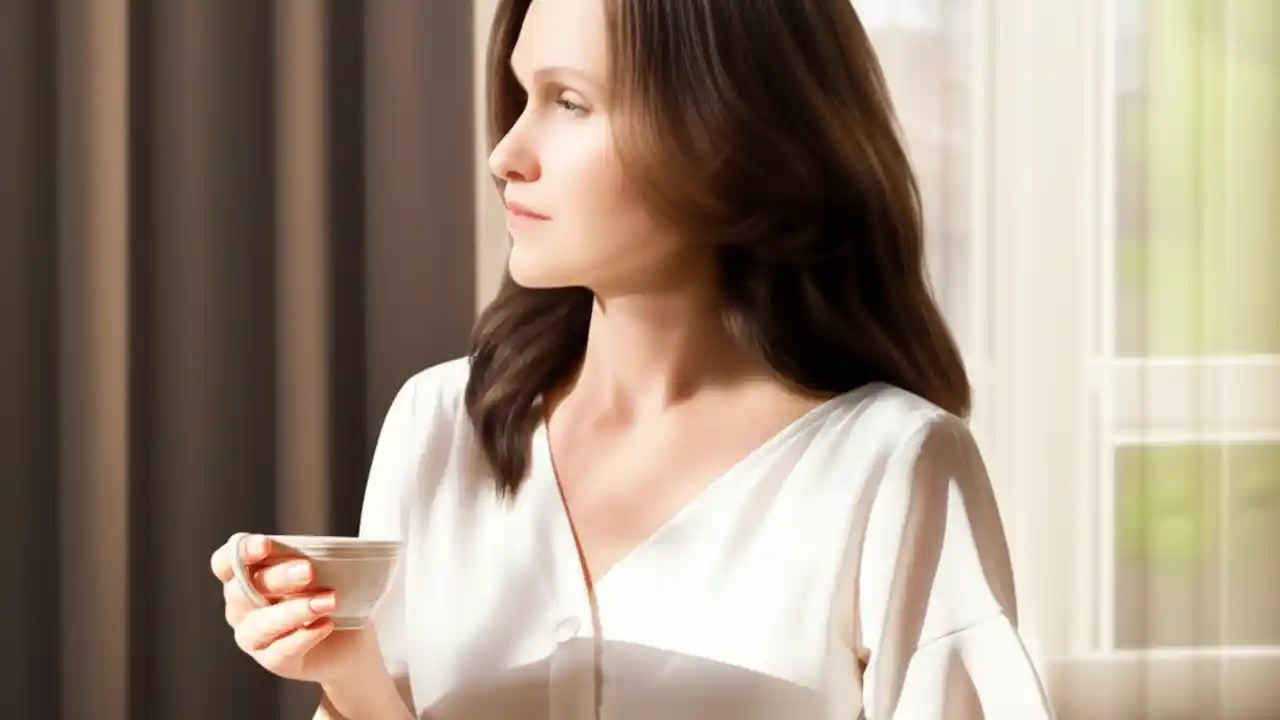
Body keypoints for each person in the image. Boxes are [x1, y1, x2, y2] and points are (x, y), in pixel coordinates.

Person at [209, 0, 1054, 716]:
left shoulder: (891, 465)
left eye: (568, 103)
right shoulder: (442, 427)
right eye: (520, 95)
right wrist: (343, 669)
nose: (507, 153)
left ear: (726, 132)